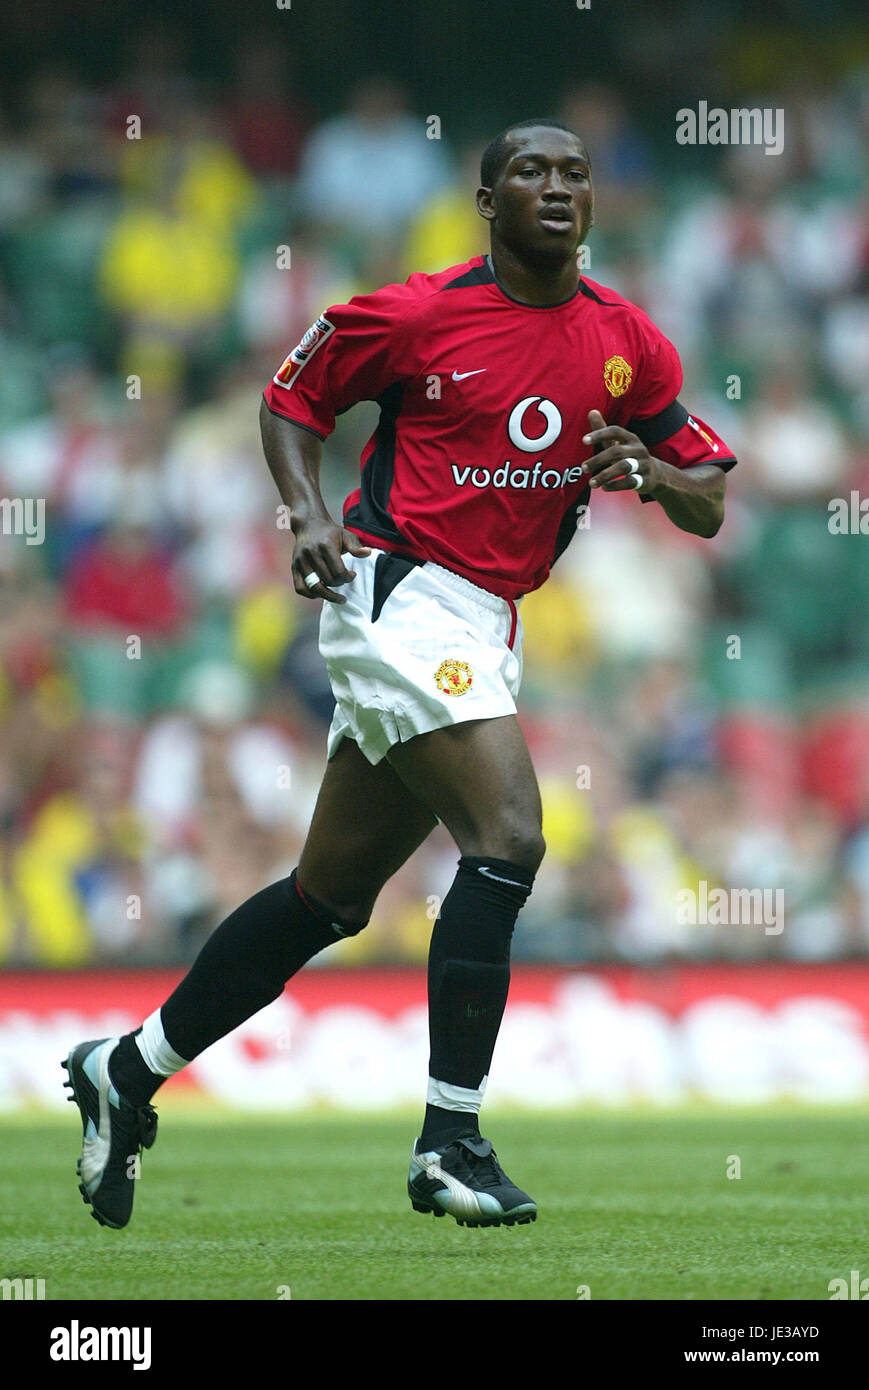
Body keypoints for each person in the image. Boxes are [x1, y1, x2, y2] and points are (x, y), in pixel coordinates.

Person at [63, 118, 736, 1230]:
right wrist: (307, 513)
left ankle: (125, 1070)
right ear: (487, 200)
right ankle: (449, 1138)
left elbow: (709, 492)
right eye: (529, 170)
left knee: (324, 899)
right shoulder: (419, 311)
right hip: (395, 589)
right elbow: (292, 396)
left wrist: (656, 474)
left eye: (574, 172)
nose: (557, 187)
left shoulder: (626, 342)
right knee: (511, 836)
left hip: (485, 620)